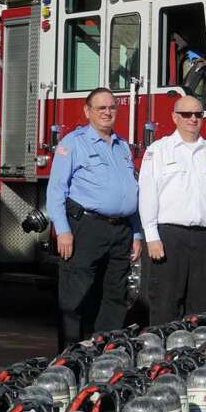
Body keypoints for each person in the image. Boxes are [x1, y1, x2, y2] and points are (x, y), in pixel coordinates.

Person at [45, 88, 142, 347]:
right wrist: (63, 230)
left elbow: (129, 191)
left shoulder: (122, 147)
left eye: (111, 107)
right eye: (101, 108)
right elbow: (56, 190)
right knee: (75, 297)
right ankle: (68, 358)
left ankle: (103, 353)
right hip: (86, 227)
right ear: (87, 111)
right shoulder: (73, 143)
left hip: (120, 231)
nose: (107, 112)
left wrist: (135, 232)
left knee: (115, 296)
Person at [138, 95, 206, 325]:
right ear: (174, 117)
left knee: (202, 306)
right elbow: (147, 196)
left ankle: (196, 357)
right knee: (165, 303)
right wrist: (152, 237)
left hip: (205, 237)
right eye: (186, 114)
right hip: (170, 237)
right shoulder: (159, 150)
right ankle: (163, 357)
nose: (193, 119)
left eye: (198, 114)